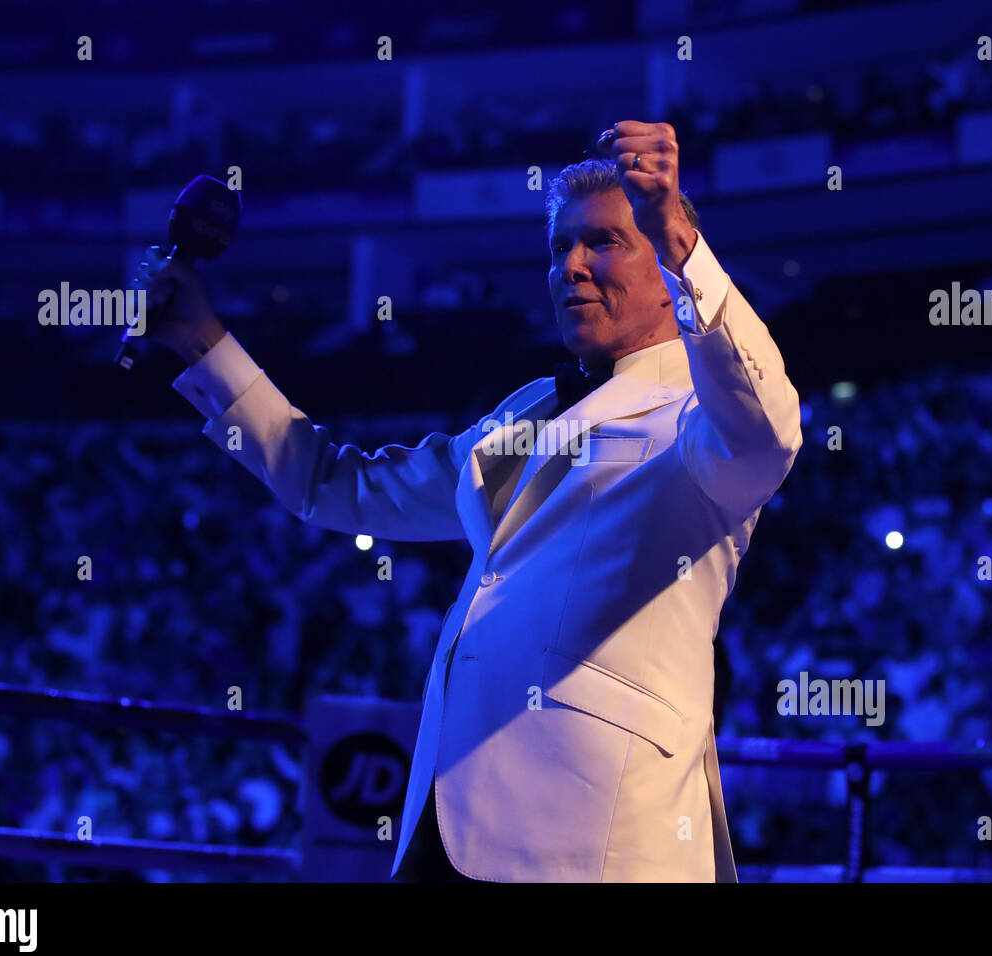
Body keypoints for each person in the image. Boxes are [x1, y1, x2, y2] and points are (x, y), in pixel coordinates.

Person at [135, 120, 801, 882]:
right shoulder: (523, 413)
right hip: (446, 823)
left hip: (600, 842)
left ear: (665, 268)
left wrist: (680, 235)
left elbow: (770, 427)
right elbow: (338, 487)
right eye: (560, 248)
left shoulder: (697, 421)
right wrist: (204, 344)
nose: (574, 267)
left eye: (605, 243)